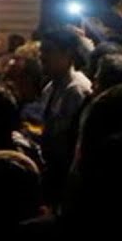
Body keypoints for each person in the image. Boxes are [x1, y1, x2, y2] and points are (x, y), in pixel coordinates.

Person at [37, 29, 91, 201]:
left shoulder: (77, 90)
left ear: (67, 54)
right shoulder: (50, 87)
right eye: (41, 51)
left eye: (48, 51)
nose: (42, 57)